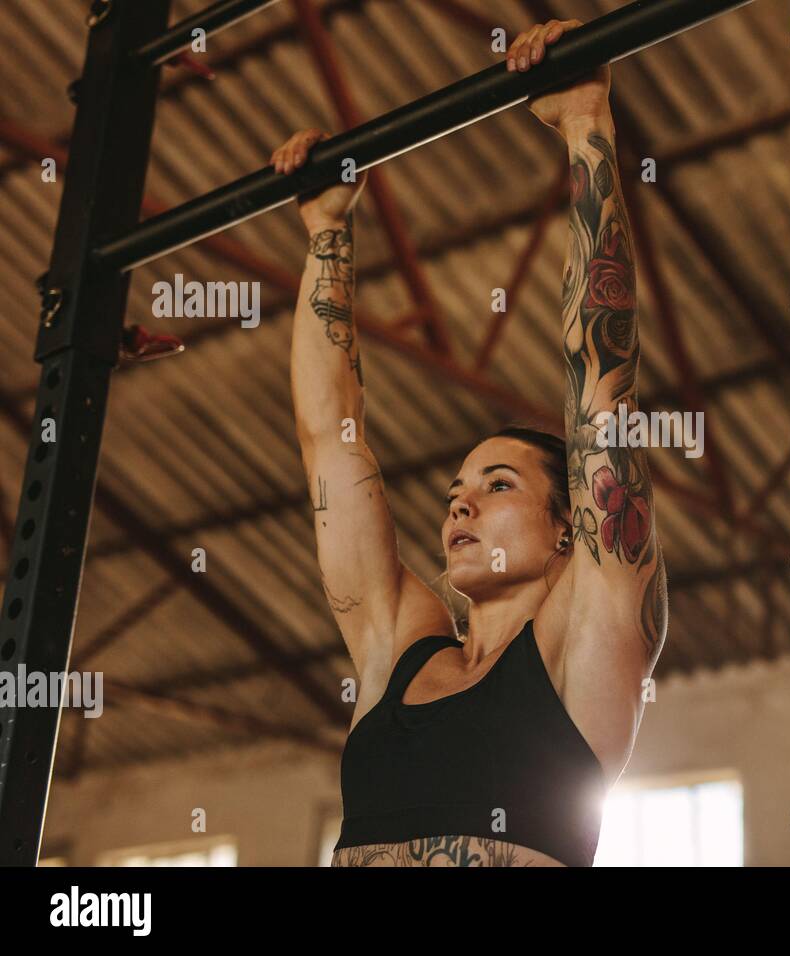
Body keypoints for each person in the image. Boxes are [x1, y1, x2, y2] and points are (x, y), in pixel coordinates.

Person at [272, 18, 667, 867]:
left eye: (496, 485)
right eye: (457, 488)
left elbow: (601, 388)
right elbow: (329, 442)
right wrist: (327, 230)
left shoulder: (585, 635)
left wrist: (586, 125)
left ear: (572, 524)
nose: (459, 502)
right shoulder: (396, 644)